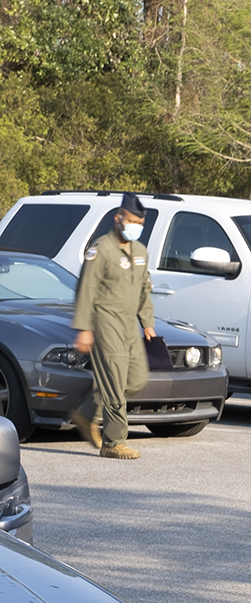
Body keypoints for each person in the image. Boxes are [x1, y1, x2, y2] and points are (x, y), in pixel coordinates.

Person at [71, 192, 156, 459]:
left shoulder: (140, 251)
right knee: (115, 381)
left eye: (140, 223)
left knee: (137, 379)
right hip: (104, 323)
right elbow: (85, 289)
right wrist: (85, 328)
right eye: (131, 221)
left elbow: (144, 288)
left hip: (129, 324)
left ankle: (86, 412)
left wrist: (147, 322)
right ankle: (113, 442)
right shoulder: (101, 250)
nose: (135, 227)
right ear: (118, 218)